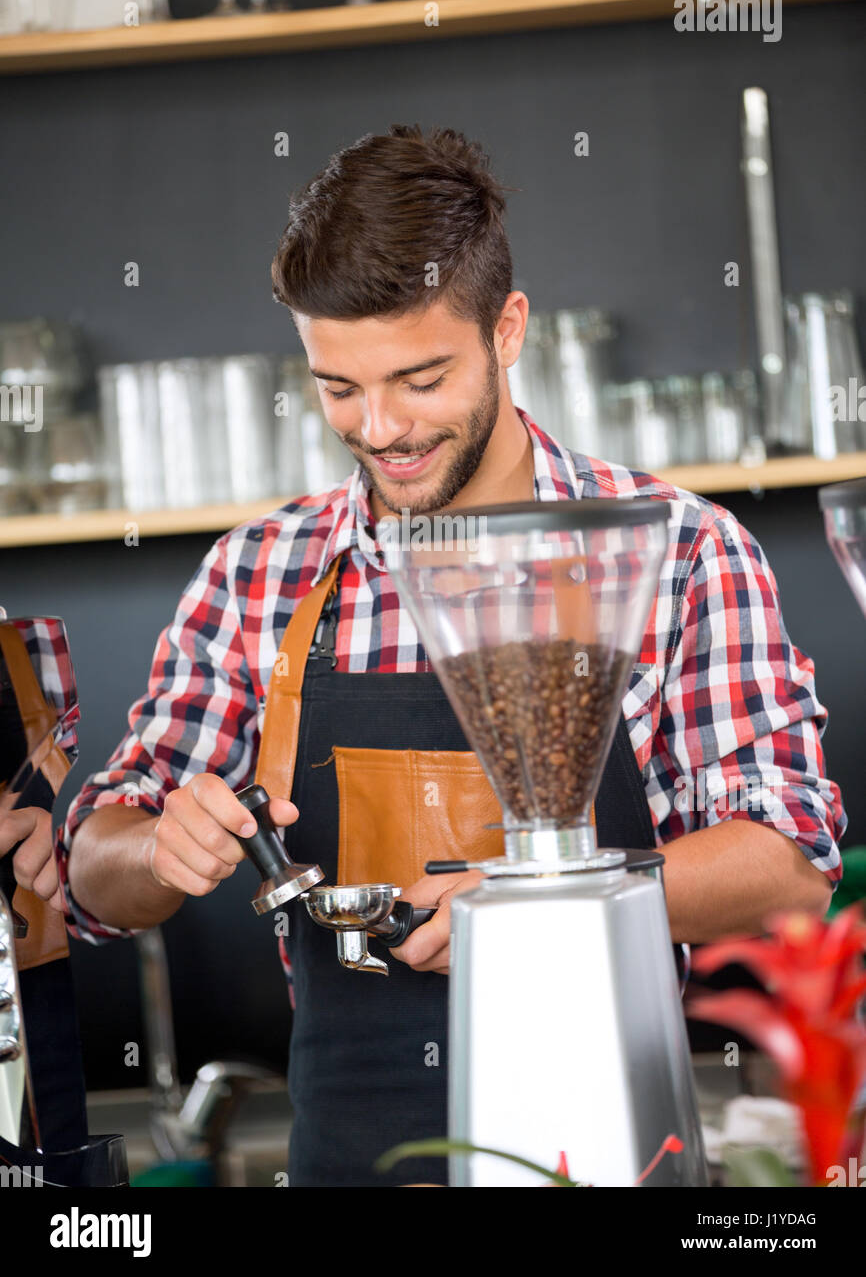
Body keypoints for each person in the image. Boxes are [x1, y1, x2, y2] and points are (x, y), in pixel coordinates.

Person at [47, 124, 844, 1186]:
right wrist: (155, 852)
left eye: (420, 379)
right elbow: (87, 878)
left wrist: (538, 904)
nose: (379, 428)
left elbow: (785, 863)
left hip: (608, 1149)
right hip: (348, 1155)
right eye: (338, 388)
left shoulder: (674, 549)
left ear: (506, 329)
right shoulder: (262, 573)